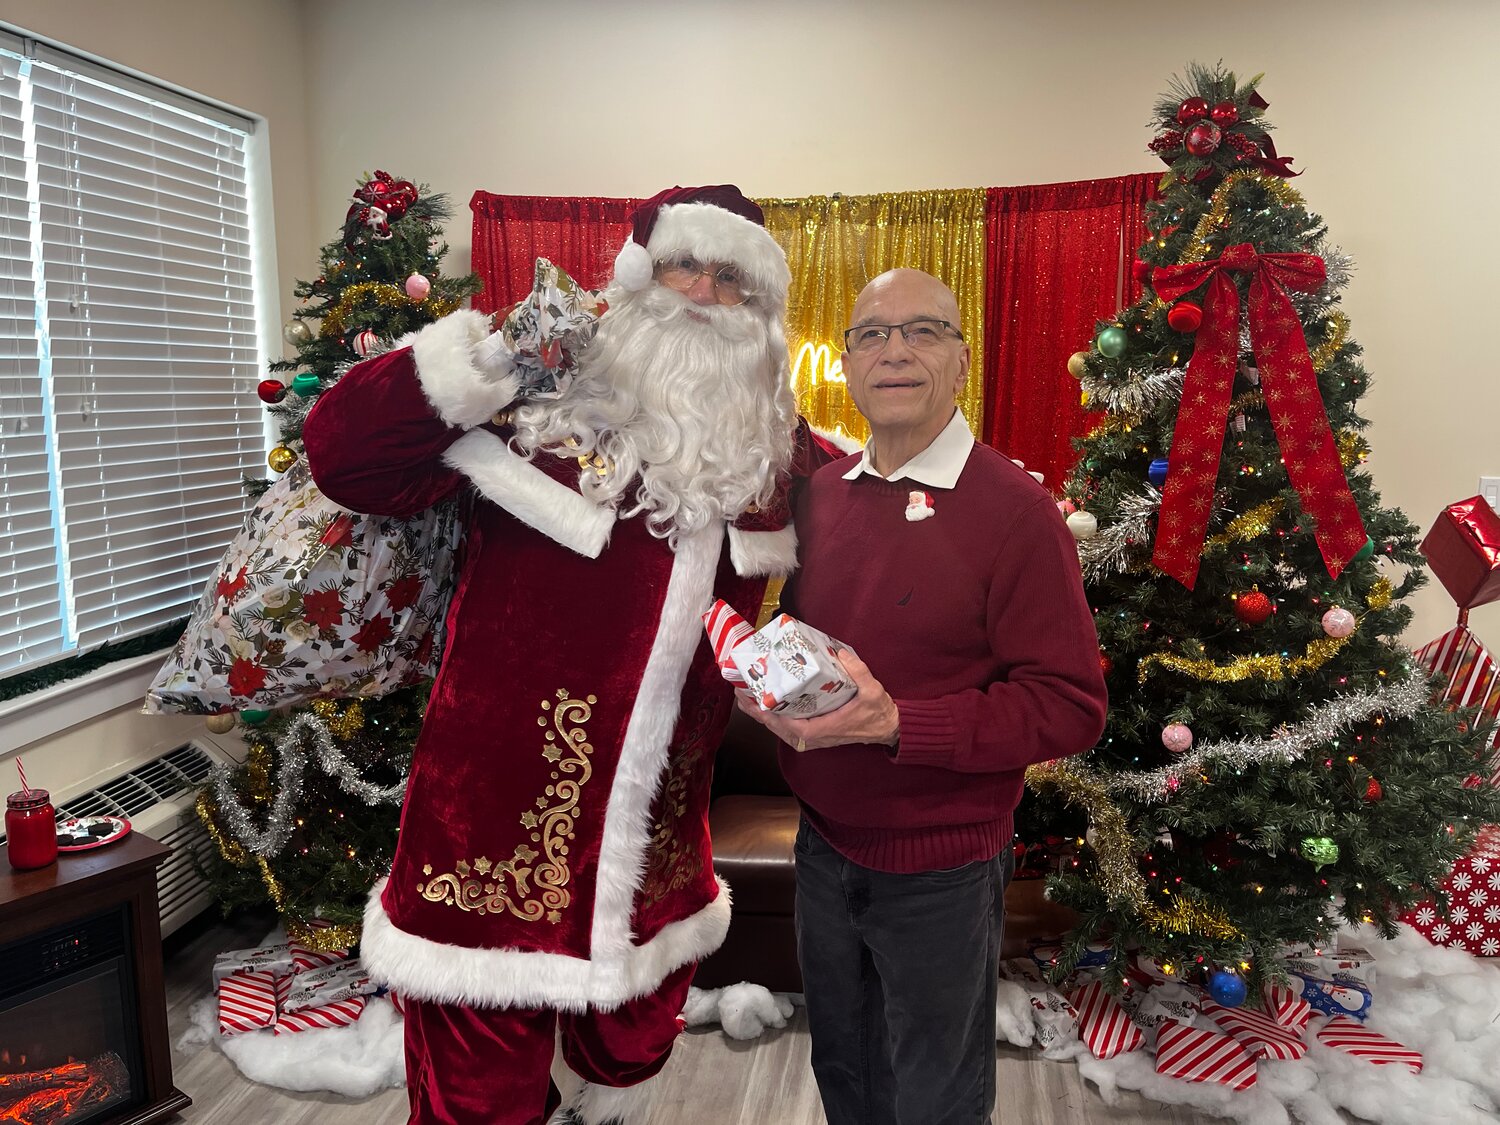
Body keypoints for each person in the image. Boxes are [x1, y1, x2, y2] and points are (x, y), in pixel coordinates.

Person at [302, 185, 841, 1125]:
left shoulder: (776, 446)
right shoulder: (534, 401)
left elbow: (893, 532)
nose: (705, 295)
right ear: (638, 276)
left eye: (732, 281)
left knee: (629, 1051)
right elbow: (344, 455)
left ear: (763, 314)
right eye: (685, 266)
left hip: (656, 852)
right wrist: (495, 352)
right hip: (490, 832)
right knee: (479, 1092)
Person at [736, 268, 1108, 1125]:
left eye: (924, 330)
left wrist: (901, 721)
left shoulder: (1016, 511)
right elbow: (807, 635)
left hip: (942, 866)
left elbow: (1069, 704)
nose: (894, 350)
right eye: (871, 333)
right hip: (823, 849)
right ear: (848, 359)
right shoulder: (821, 497)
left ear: (962, 359)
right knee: (849, 1071)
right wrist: (771, 680)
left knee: (937, 1093)